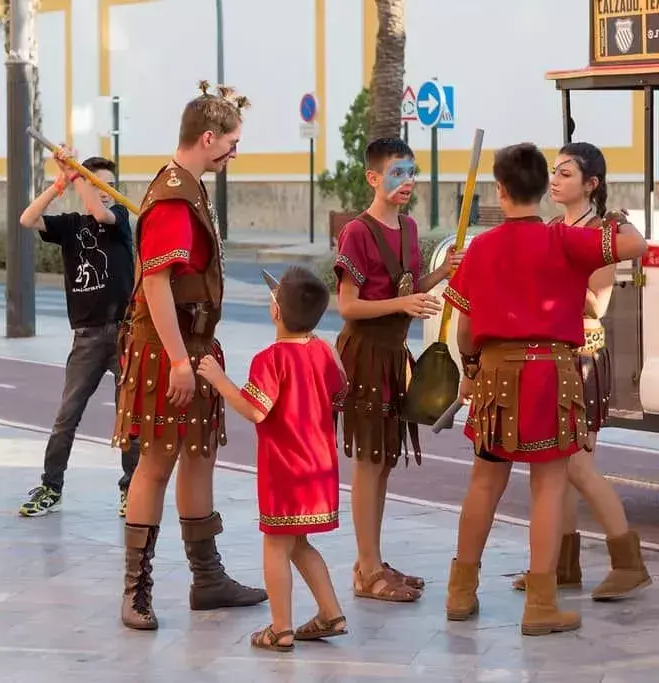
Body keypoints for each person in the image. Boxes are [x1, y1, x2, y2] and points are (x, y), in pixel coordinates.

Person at [442, 142, 647, 636]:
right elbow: (635, 244)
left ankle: (460, 593)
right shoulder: (564, 241)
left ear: (501, 190)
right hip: (551, 376)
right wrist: (615, 214)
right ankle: (541, 606)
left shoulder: (481, 248)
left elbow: (464, 331)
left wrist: (470, 367)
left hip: (494, 375)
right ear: (542, 187)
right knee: (548, 488)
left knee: (484, 484)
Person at [113, 81, 267, 632]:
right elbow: (155, 284)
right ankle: (136, 590)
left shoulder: (187, 187)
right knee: (155, 465)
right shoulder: (176, 197)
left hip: (194, 346)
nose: (234, 153)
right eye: (232, 142)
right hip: (169, 349)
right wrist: (179, 360)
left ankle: (208, 579)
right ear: (208, 138)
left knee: (198, 455)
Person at [508, 142, 651, 600]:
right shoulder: (552, 228)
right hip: (553, 354)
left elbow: (598, 303)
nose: (555, 180)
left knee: (576, 464)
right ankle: (560, 566)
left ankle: (628, 563)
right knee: (557, 466)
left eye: (566, 173)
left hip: (582, 356)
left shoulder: (605, 229)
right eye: (554, 171)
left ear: (592, 184)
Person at [333, 138, 461, 602]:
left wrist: (443, 271)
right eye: (396, 173)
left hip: (393, 355)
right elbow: (348, 305)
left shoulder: (408, 229)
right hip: (364, 354)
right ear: (373, 177)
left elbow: (410, 287)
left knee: (384, 463)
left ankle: (371, 560)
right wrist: (404, 302)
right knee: (369, 463)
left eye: (411, 172)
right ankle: (367, 571)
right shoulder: (357, 233)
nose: (407, 181)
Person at [197, 267, 348, 652]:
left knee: (276, 546)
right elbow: (340, 391)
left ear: (277, 313)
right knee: (299, 543)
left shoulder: (271, 359)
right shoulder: (321, 352)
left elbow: (254, 409)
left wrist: (218, 379)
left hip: (286, 469)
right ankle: (330, 613)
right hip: (320, 466)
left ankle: (280, 629)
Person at [17, 150, 139, 518]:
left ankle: (131, 489)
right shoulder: (70, 225)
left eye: (110, 186)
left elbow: (101, 212)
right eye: (99, 184)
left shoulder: (118, 217)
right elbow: (27, 219)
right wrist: (60, 182)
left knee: (128, 418)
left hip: (123, 334)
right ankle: (51, 487)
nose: (105, 192)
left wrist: (82, 177)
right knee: (66, 416)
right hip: (85, 337)